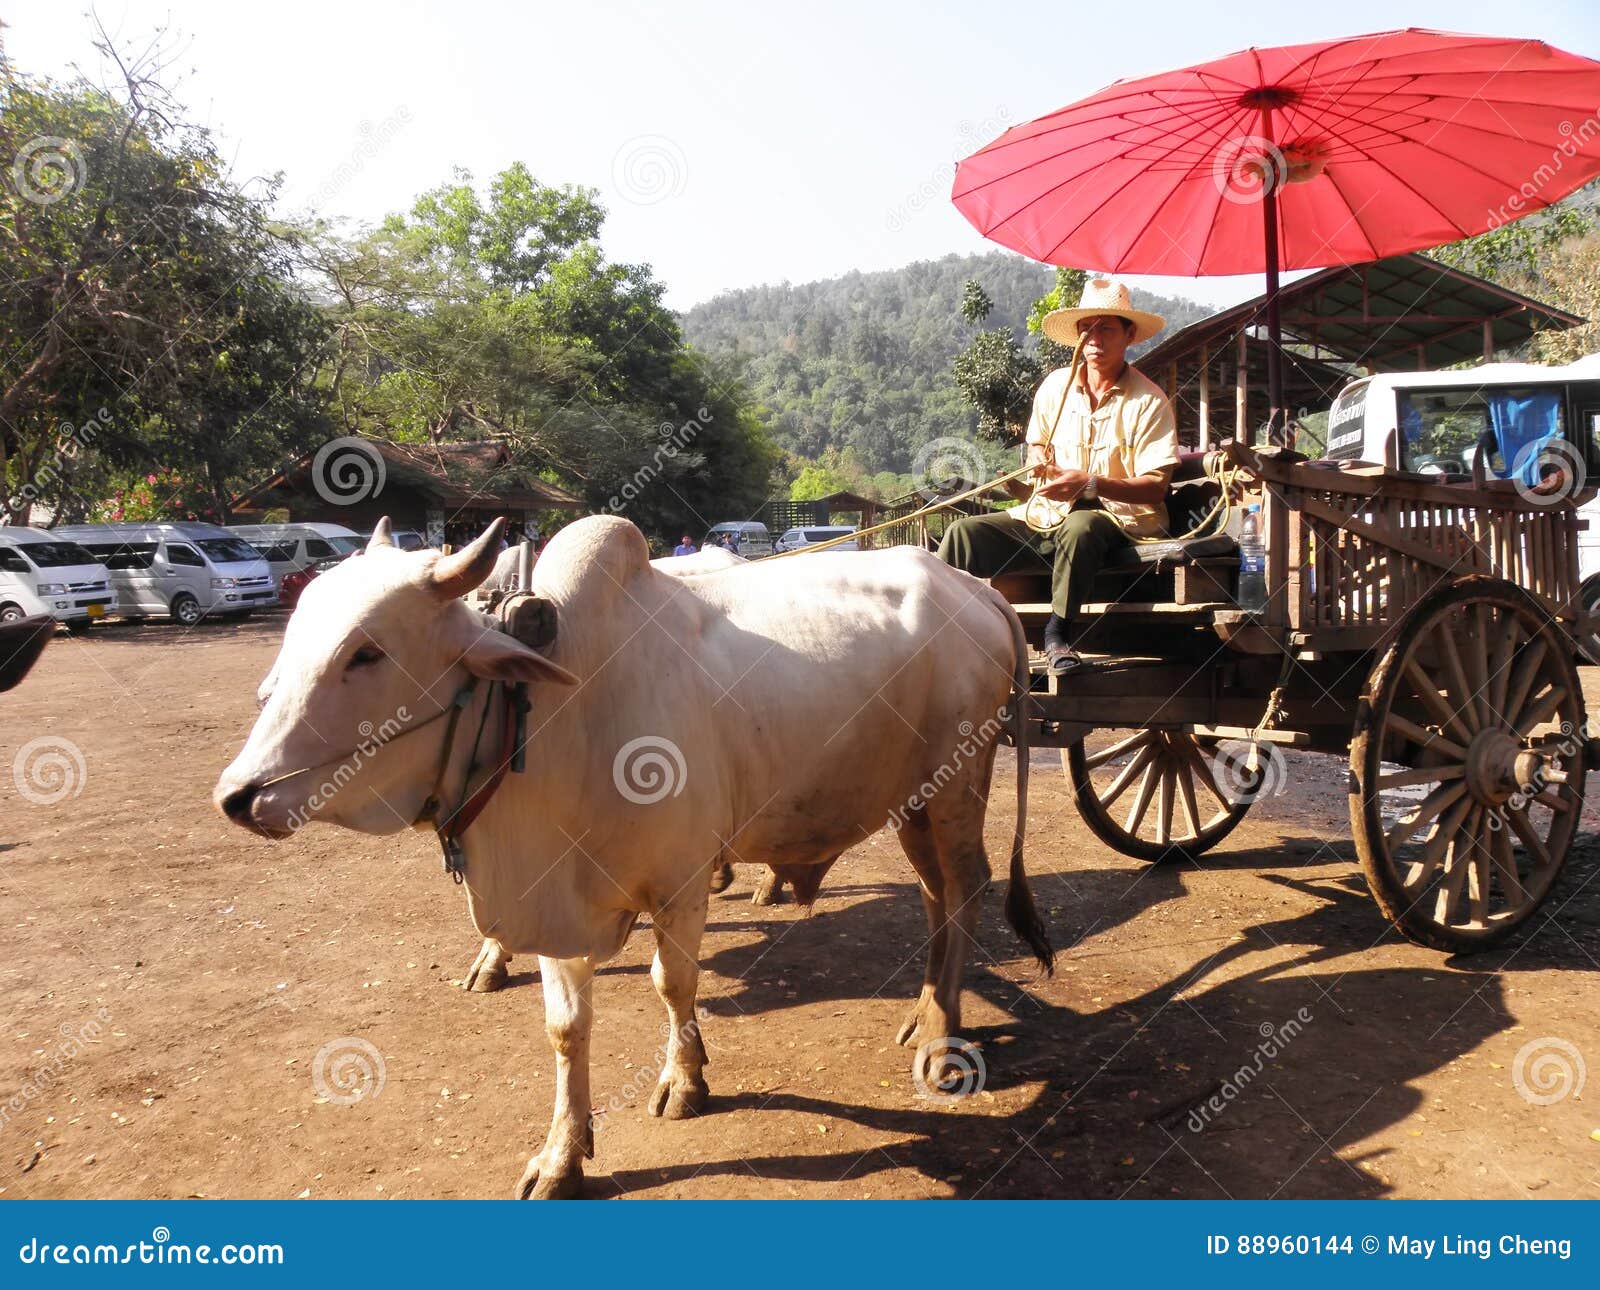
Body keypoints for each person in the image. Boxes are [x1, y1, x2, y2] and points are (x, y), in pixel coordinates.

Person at [938, 278, 1180, 674]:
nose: (1094, 340)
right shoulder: (1055, 387)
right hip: (1048, 514)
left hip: (1121, 522)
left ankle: (1057, 634)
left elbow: (1156, 486)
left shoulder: (1149, 401)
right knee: (963, 535)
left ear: (1129, 334)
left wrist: (1090, 483)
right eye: (1087, 329)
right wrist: (1038, 465)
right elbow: (1038, 446)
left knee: (1081, 526)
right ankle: (942, 635)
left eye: (1106, 329)